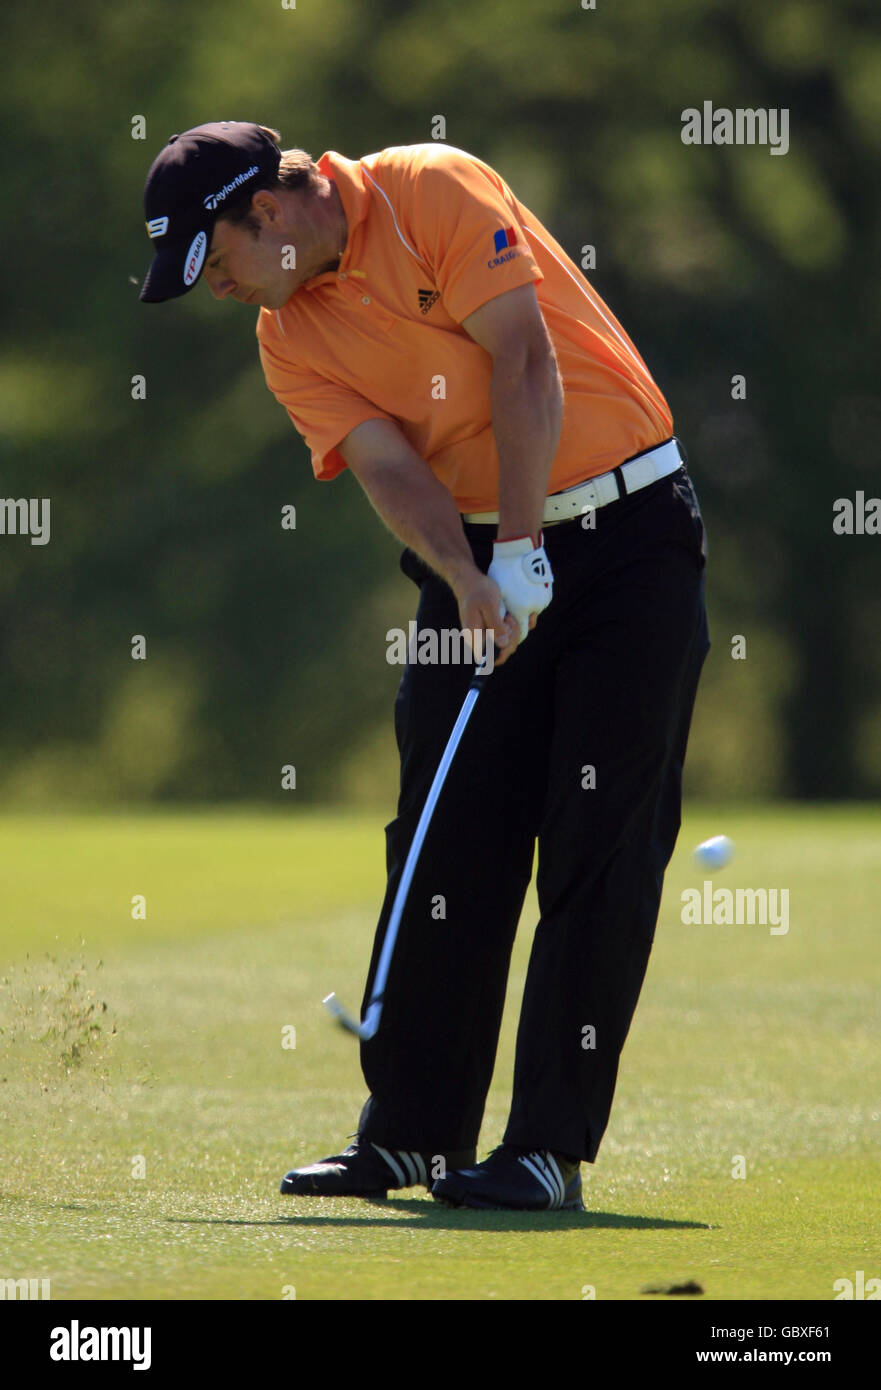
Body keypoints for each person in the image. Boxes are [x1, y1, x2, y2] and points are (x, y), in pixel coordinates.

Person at [140, 120, 710, 1211]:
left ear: (267, 209)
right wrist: (468, 575)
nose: (213, 288)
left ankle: (545, 1149)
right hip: (483, 556)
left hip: (628, 537)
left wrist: (523, 543)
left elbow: (525, 360)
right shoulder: (288, 337)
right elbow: (389, 467)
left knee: (599, 846)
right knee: (441, 838)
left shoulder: (431, 189)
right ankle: (409, 1134)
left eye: (213, 258)